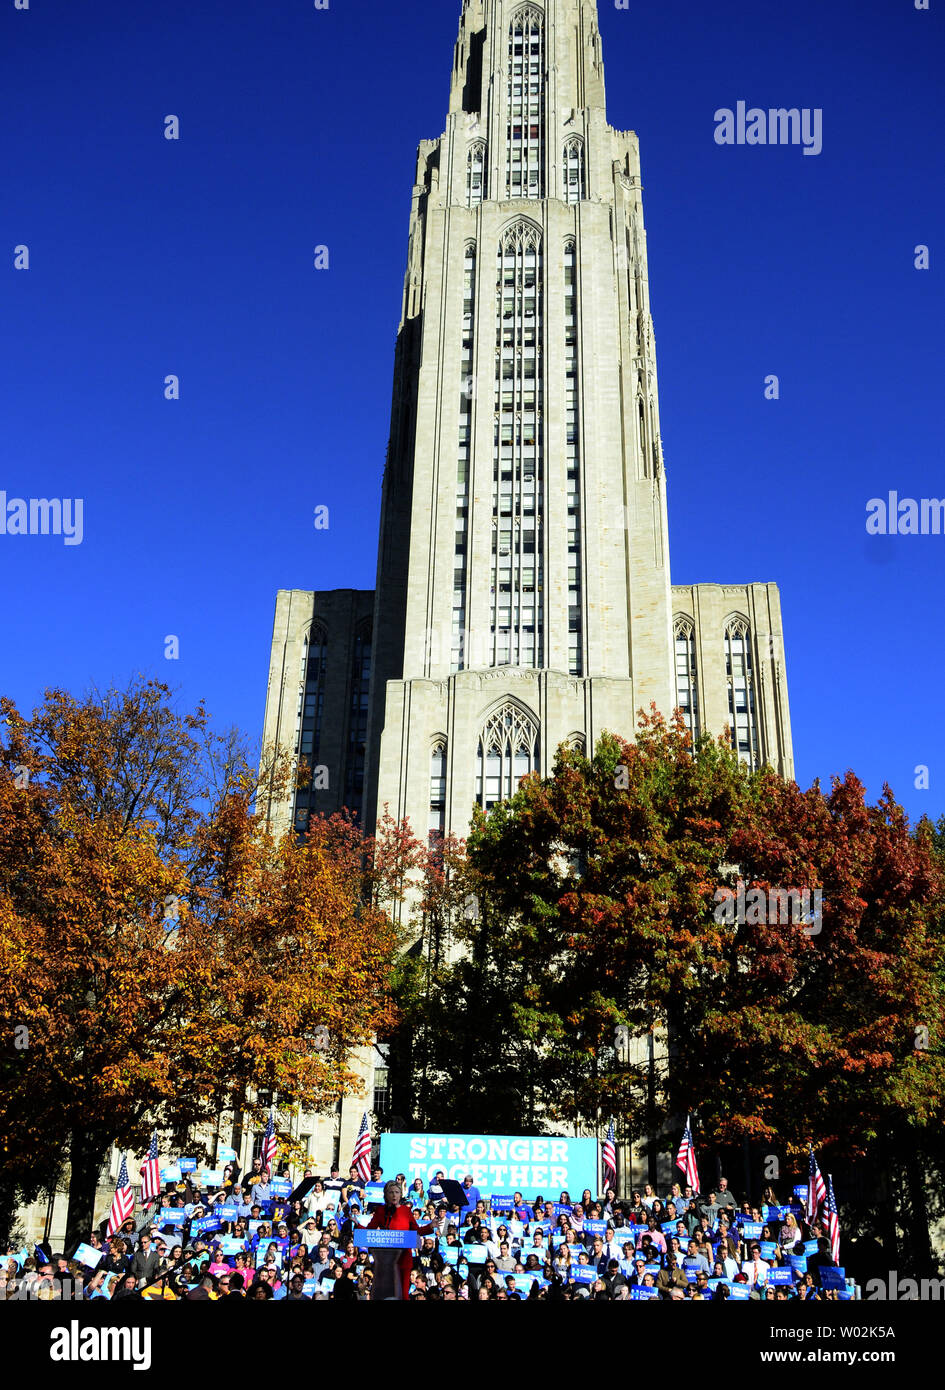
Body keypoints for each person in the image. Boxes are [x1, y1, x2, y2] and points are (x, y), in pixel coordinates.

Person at [367, 1180, 437, 1301]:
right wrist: (357, 1225)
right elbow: (369, 1231)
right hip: (386, 1259)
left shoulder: (406, 1211)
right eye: (391, 1192)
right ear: (385, 1195)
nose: (394, 1195)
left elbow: (416, 1231)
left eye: (397, 1192)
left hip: (404, 1257)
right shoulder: (380, 1211)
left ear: (400, 1195)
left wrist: (430, 1226)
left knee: (403, 1294)